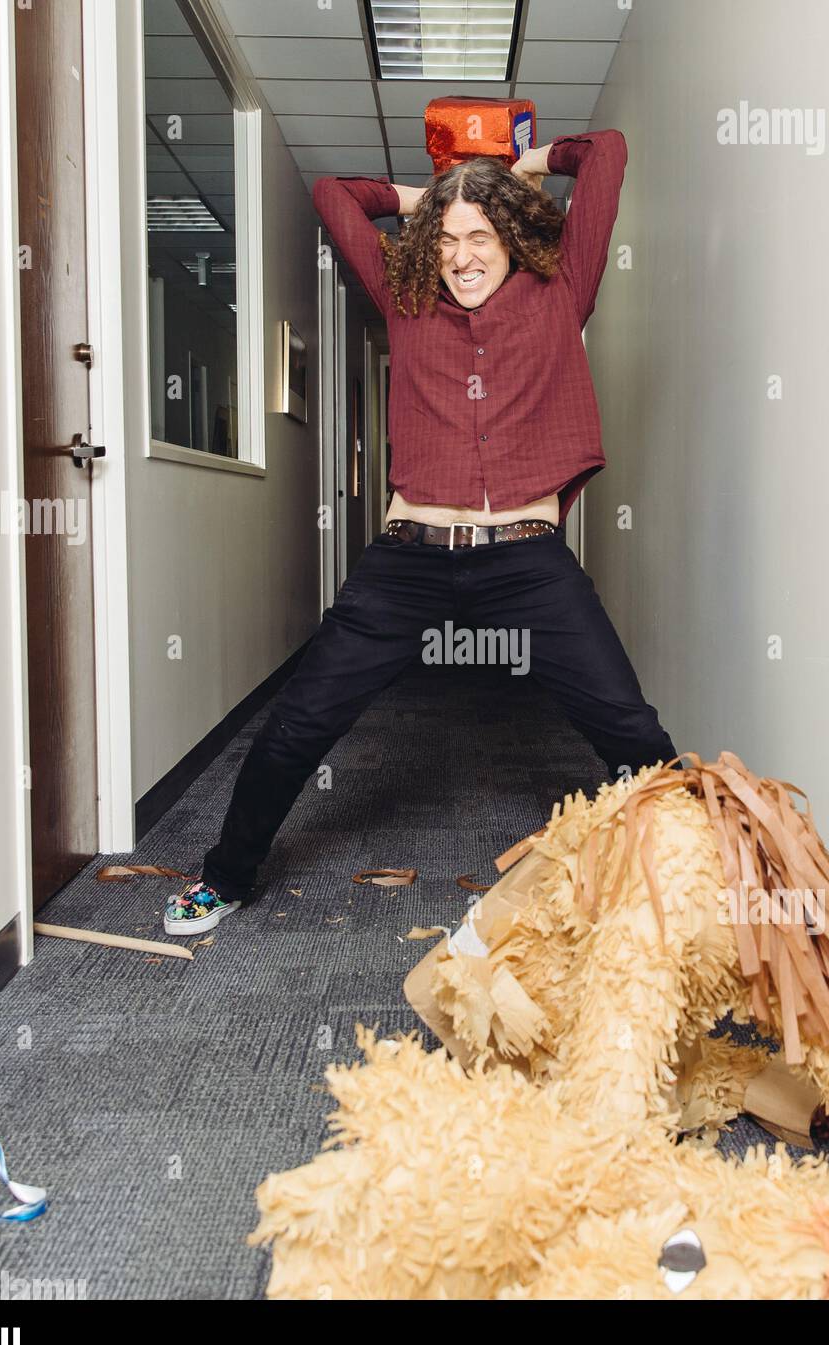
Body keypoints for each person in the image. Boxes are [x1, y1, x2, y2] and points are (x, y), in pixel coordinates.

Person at [164, 129, 677, 935]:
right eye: (445, 240)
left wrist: (515, 171)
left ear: (511, 236)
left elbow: (608, 151)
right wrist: (432, 197)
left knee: (629, 729)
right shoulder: (407, 302)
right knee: (299, 725)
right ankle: (226, 877)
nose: (462, 255)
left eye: (480, 235)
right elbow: (334, 190)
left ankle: (696, 888)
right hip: (406, 566)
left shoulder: (563, 289)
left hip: (527, 562)